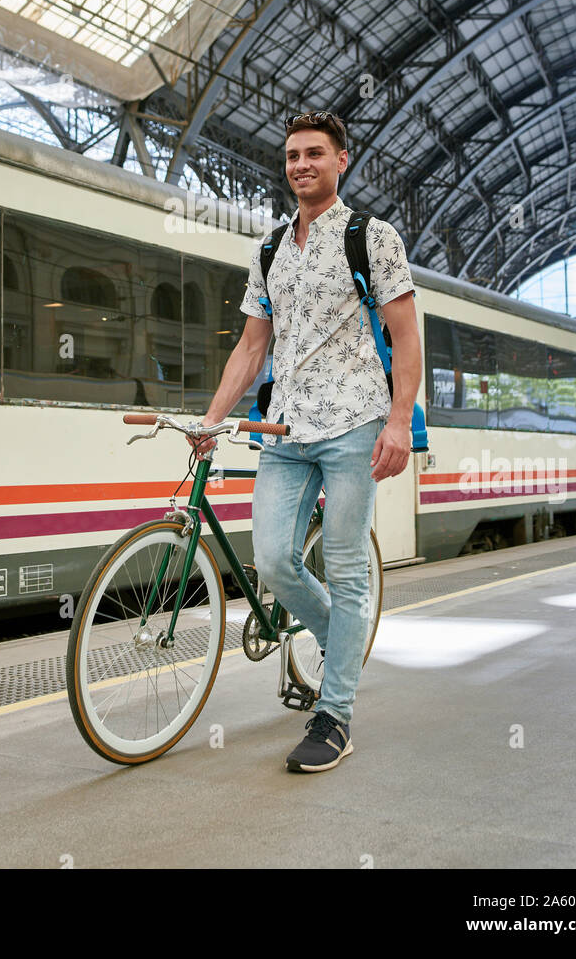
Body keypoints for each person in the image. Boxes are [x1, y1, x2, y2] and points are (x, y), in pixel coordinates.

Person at [190, 110, 421, 773]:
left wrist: (400, 422)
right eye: (292, 155)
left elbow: (406, 339)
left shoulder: (371, 238)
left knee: (347, 571)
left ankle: (335, 716)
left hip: (354, 426)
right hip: (284, 430)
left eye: (314, 153)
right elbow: (251, 347)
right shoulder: (269, 250)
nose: (300, 165)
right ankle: (340, 642)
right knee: (275, 562)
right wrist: (211, 419)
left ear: (341, 160)